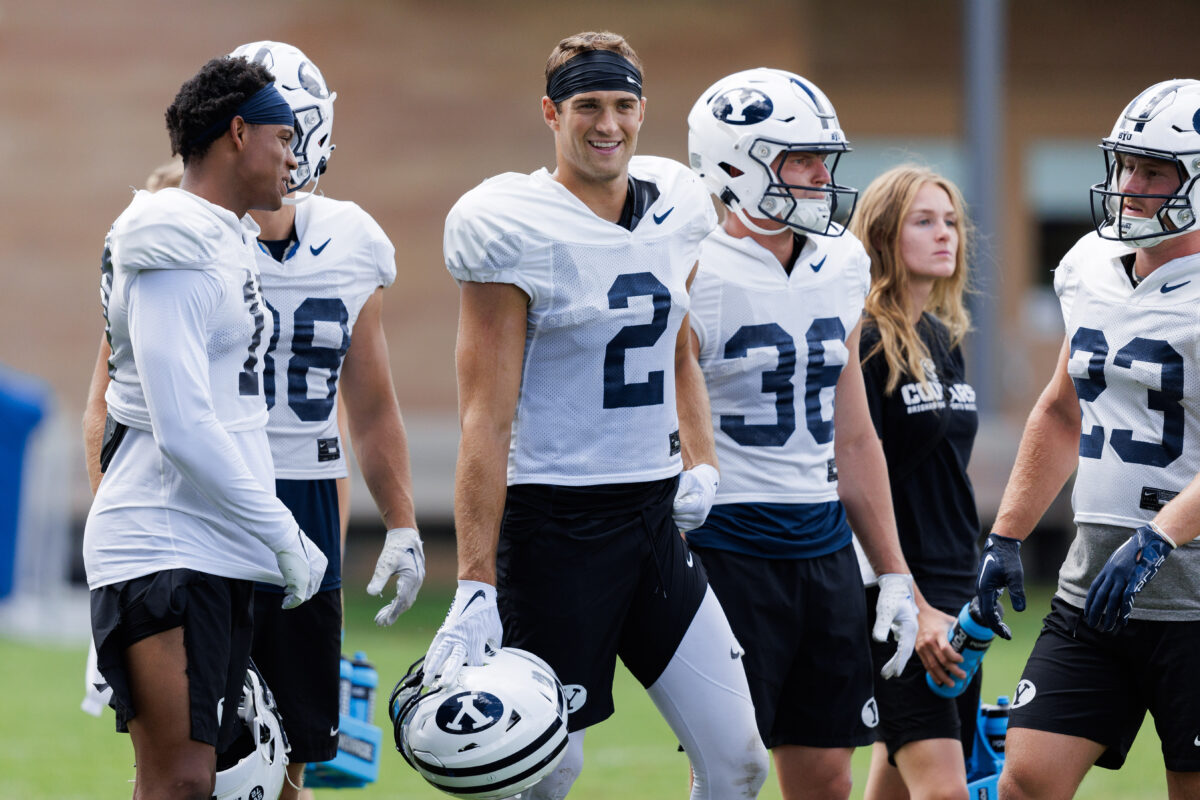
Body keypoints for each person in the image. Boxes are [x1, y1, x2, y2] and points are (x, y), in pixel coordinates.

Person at [424, 31, 769, 800]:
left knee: (739, 760)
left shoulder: (679, 202)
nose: (606, 123)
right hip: (554, 527)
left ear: (643, 109)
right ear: (552, 112)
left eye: (621, 104)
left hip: (651, 521)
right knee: (542, 773)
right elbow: (485, 417)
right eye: (587, 105)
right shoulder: (512, 223)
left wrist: (702, 459)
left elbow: (680, 344)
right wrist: (476, 580)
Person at [83, 42, 425, 799]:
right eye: (282, 139)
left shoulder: (227, 235)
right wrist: (277, 532)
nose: (294, 158)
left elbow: (357, 403)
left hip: (224, 530)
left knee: (247, 773)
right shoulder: (172, 236)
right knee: (184, 779)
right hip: (173, 534)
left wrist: (374, 523)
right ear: (239, 133)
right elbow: (172, 420)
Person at [682, 68, 921, 800]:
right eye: (800, 159)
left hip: (820, 541)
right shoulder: (688, 263)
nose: (823, 175)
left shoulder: (843, 260)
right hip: (727, 540)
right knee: (732, 767)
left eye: (824, 158)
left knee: (826, 774)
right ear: (733, 163)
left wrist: (893, 572)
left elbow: (854, 434)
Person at [974, 78, 1200, 800]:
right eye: (1126, 165)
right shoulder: (1089, 265)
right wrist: (1006, 535)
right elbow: (1061, 412)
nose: (1130, 186)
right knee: (1027, 782)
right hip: (1091, 590)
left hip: (1194, 601)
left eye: (1155, 171)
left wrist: (1160, 536)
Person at [848, 165, 980, 800]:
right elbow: (853, 471)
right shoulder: (866, 340)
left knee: (898, 780)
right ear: (881, 235)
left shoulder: (940, 336)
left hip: (959, 582)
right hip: (902, 592)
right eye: (923, 221)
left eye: (950, 221)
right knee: (946, 789)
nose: (944, 235)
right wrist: (916, 604)